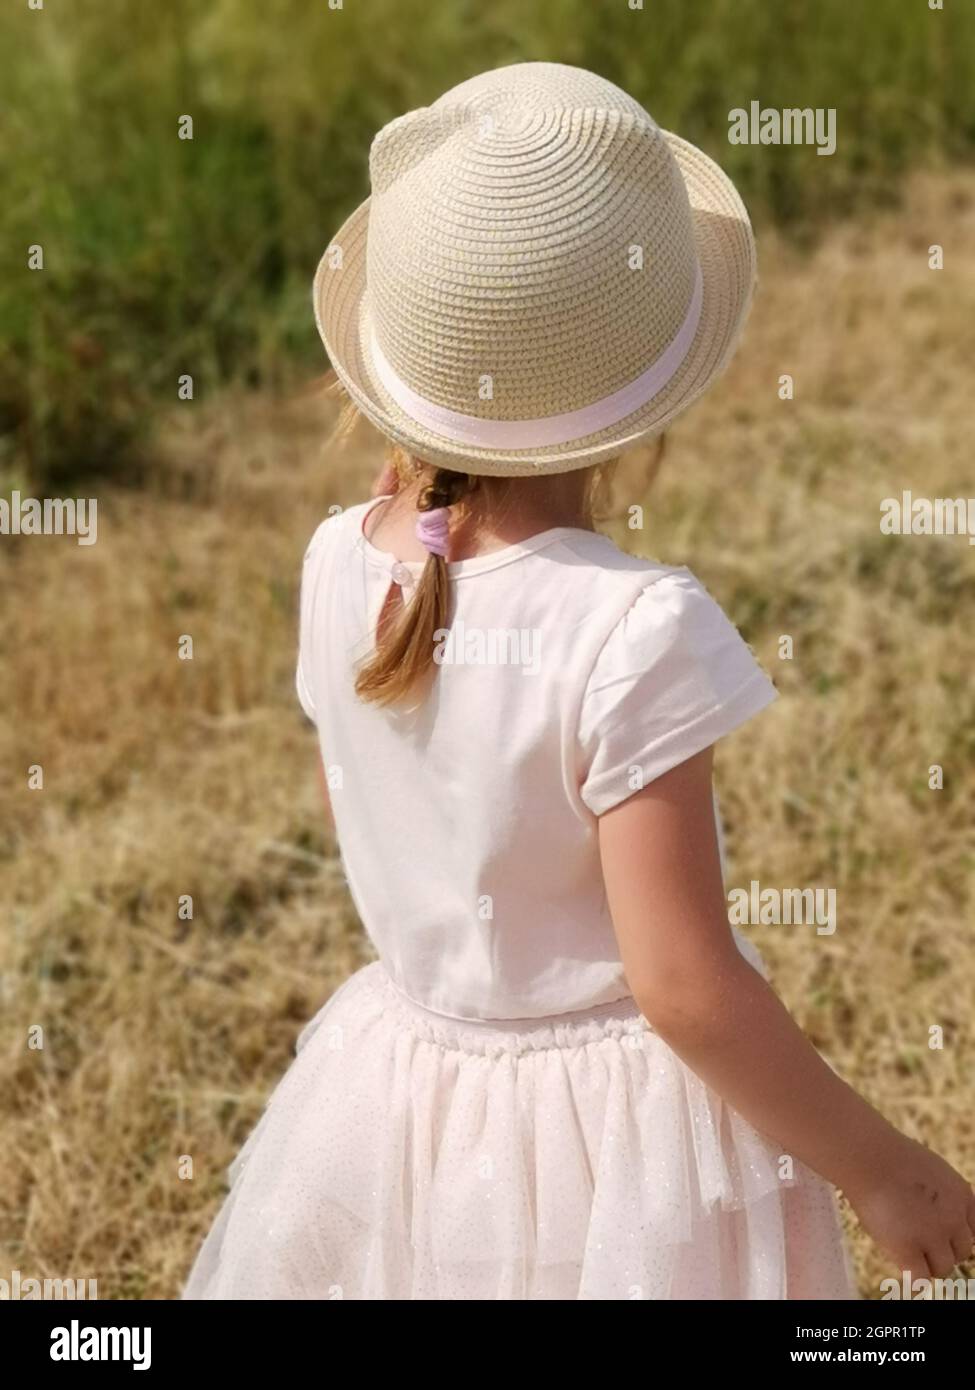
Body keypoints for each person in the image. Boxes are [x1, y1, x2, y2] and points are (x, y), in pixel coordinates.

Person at [183, 62, 974, 1300]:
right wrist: (885, 1169)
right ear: (646, 395)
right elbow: (683, 986)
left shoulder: (339, 562)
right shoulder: (636, 627)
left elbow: (369, 815)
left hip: (407, 1090)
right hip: (611, 1144)